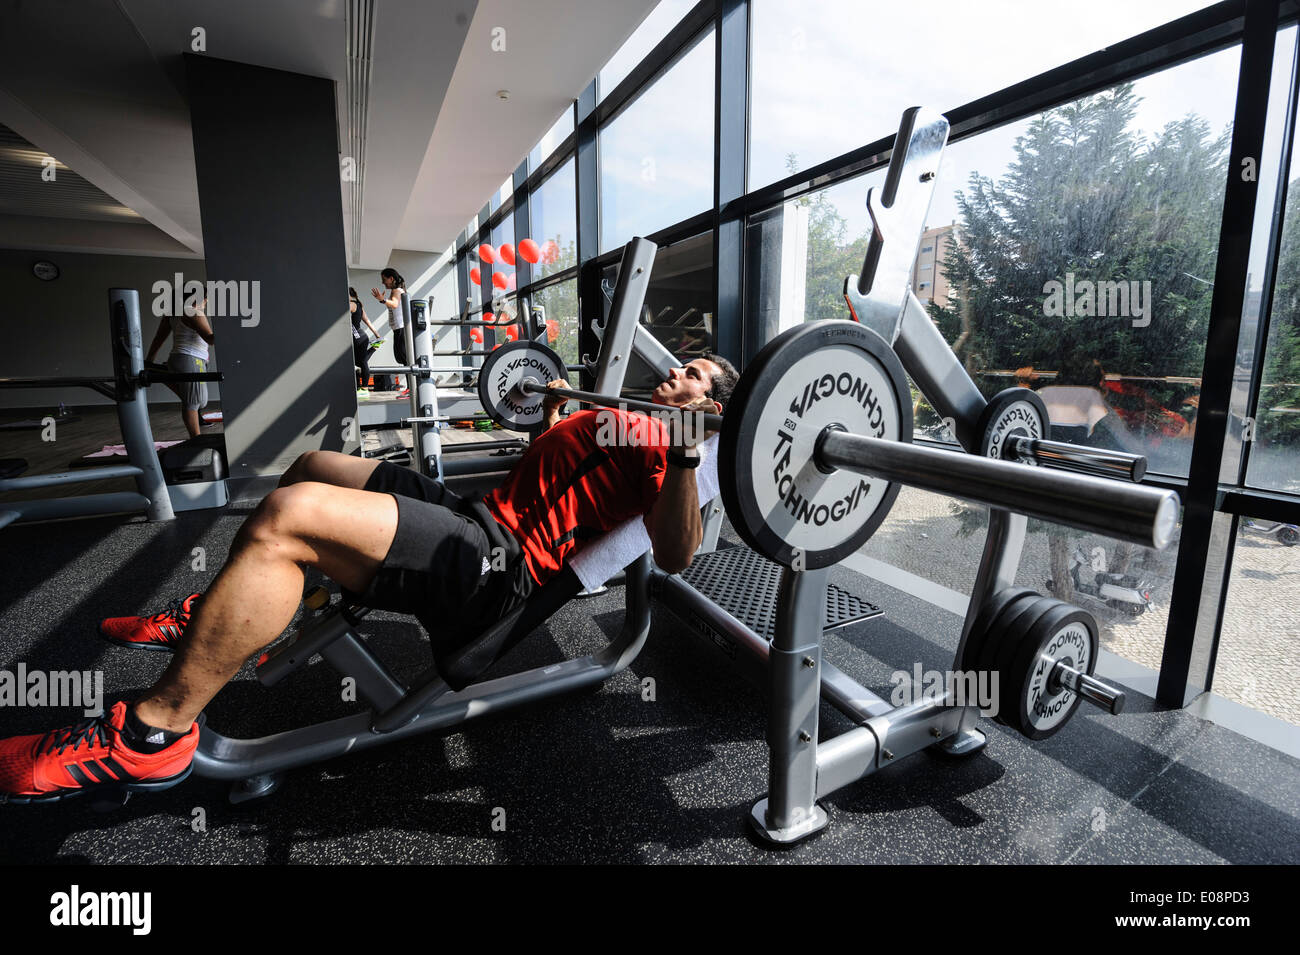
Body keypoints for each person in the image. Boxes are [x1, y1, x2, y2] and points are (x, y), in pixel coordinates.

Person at [0, 354, 740, 804]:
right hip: (479, 513)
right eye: (685, 362)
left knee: (289, 515)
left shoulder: (668, 450)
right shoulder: (628, 418)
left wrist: (682, 454)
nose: (679, 370)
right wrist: (550, 414)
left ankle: (152, 731)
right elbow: (563, 467)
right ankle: (219, 617)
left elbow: (675, 549)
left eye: (697, 376)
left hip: (499, 563)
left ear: (710, 412)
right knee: (311, 466)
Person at [144, 296, 214, 438]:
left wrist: (149, 361)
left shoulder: (173, 313)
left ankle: (160, 372)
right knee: (193, 402)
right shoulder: (193, 312)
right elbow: (210, 339)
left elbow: (159, 338)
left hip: (180, 359)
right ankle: (196, 440)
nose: (206, 302)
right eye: (205, 299)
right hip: (191, 360)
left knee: (199, 401)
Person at [372, 268, 408, 397]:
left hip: (401, 329)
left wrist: (383, 300)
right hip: (398, 329)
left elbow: (394, 304)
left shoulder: (396, 290)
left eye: (384, 279)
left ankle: (411, 389)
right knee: (402, 358)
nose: (383, 283)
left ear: (391, 279)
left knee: (405, 359)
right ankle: (411, 388)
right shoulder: (397, 290)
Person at [350, 287, 381, 397]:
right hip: (361, 337)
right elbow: (367, 320)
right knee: (358, 362)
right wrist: (377, 334)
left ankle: (364, 389)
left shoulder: (351, 304)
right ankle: (374, 348)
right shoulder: (358, 304)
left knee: (362, 363)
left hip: (358, 338)